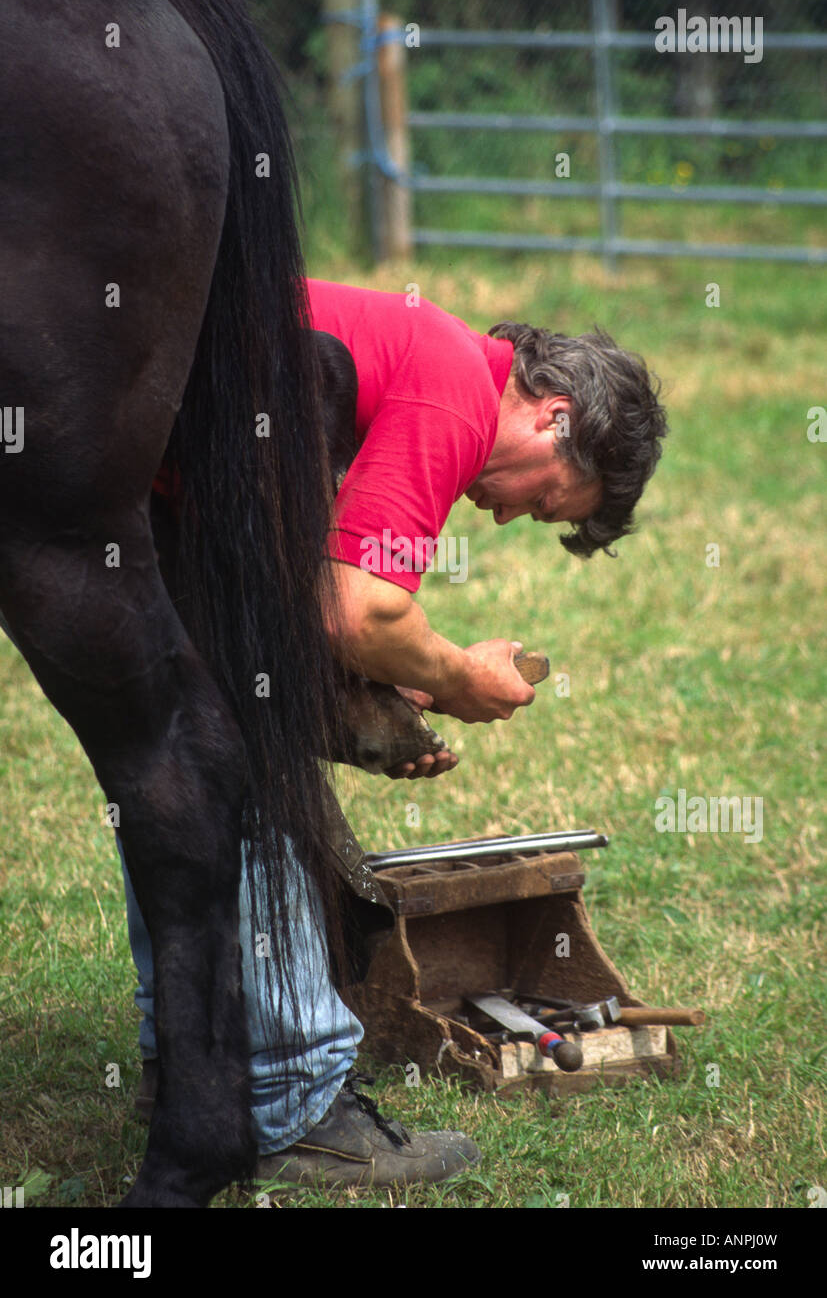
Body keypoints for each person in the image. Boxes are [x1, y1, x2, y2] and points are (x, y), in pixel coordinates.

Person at [124, 277, 668, 1188]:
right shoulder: (454, 383)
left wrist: (369, 690)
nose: (499, 516)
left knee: (173, 757)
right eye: (542, 503)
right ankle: (293, 1101)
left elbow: (298, 585)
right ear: (553, 417)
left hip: (124, 463)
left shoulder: (419, 355)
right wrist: (456, 676)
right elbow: (357, 610)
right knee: (237, 757)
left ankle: (186, 1066)